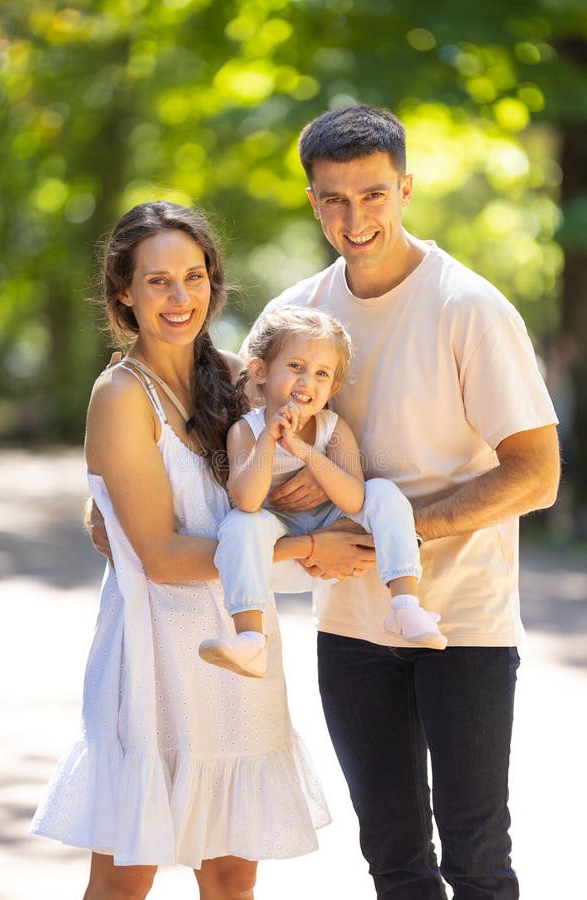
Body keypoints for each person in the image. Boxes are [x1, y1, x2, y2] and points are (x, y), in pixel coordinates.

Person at [244, 105, 560, 899]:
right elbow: (227, 440)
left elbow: (536, 473)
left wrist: (396, 530)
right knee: (393, 862)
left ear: (406, 189)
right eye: (335, 200)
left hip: (464, 624)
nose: (356, 218)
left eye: (374, 195)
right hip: (349, 628)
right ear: (313, 201)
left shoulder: (469, 308)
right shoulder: (296, 319)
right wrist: (113, 501)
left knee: (477, 861)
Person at [30, 201, 329, 900]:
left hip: (239, 651)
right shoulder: (120, 396)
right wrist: (303, 550)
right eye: (158, 281)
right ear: (124, 293)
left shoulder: (236, 376)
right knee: (125, 879)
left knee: (230, 876)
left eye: (193, 277)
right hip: (154, 656)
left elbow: (303, 462)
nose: (179, 297)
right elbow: (161, 557)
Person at [198, 304, 445, 678]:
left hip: (333, 534)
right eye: (295, 367)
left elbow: (355, 500)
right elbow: (246, 501)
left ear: (332, 388)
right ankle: (250, 639)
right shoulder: (245, 431)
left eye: (321, 373)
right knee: (239, 525)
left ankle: (405, 604)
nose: (307, 381)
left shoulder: (333, 427)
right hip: (280, 551)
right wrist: (271, 437)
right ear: (260, 371)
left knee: (382, 492)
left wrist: (304, 451)